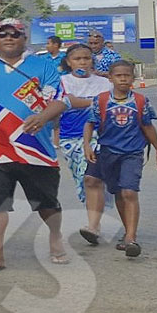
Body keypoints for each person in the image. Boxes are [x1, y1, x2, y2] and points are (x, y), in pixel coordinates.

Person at [0, 18, 68, 272]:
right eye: (3, 34)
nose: (9, 38)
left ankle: (55, 238)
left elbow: (61, 100)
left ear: (24, 38)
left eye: (14, 34)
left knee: (46, 202)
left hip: (36, 148)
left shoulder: (43, 66)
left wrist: (42, 117)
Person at [80, 60, 157, 258]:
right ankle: (123, 232)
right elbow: (90, 124)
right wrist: (87, 146)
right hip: (106, 152)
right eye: (119, 75)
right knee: (110, 188)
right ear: (110, 78)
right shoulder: (101, 100)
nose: (123, 79)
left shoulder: (140, 101)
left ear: (133, 79)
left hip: (132, 154)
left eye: (127, 75)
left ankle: (131, 238)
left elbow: (147, 126)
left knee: (129, 192)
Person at [56, 44, 111, 203]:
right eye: (77, 59)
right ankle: (94, 209)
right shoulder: (62, 82)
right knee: (82, 178)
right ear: (68, 61)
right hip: (71, 138)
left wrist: (82, 102)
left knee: (91, 178)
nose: (82, 62)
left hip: (98, 138)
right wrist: (96, 102)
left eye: (86, 58)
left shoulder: (104, 83)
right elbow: (69, 102)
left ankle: (93, 224)